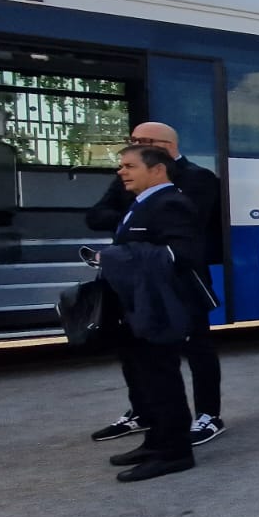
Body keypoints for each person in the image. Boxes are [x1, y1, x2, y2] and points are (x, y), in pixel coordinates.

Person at [86, 122, 226, 446]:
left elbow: (186, 230)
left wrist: (134, 220)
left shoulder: (197, 178)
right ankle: (143, 412)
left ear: (163, 146)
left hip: (181, 281)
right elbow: (96, 216)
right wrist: (132, 218)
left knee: (197, 348)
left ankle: (208, 415)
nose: (132, 149)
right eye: (132, 141)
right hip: (134, 281)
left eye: (141, 142)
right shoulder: (132, 176)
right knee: (136, 350)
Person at [97, 145, 209, 482]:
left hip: (159, 306)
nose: (122, 172)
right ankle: (156, 442)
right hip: (139, 304)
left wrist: (112, 258)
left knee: (163, 379)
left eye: (130, 165)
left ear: (157, 170)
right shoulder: (143, 203)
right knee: (145, 377)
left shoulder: (171, 203)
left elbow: (181, 255)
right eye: (121, 166)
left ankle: (175, 453)